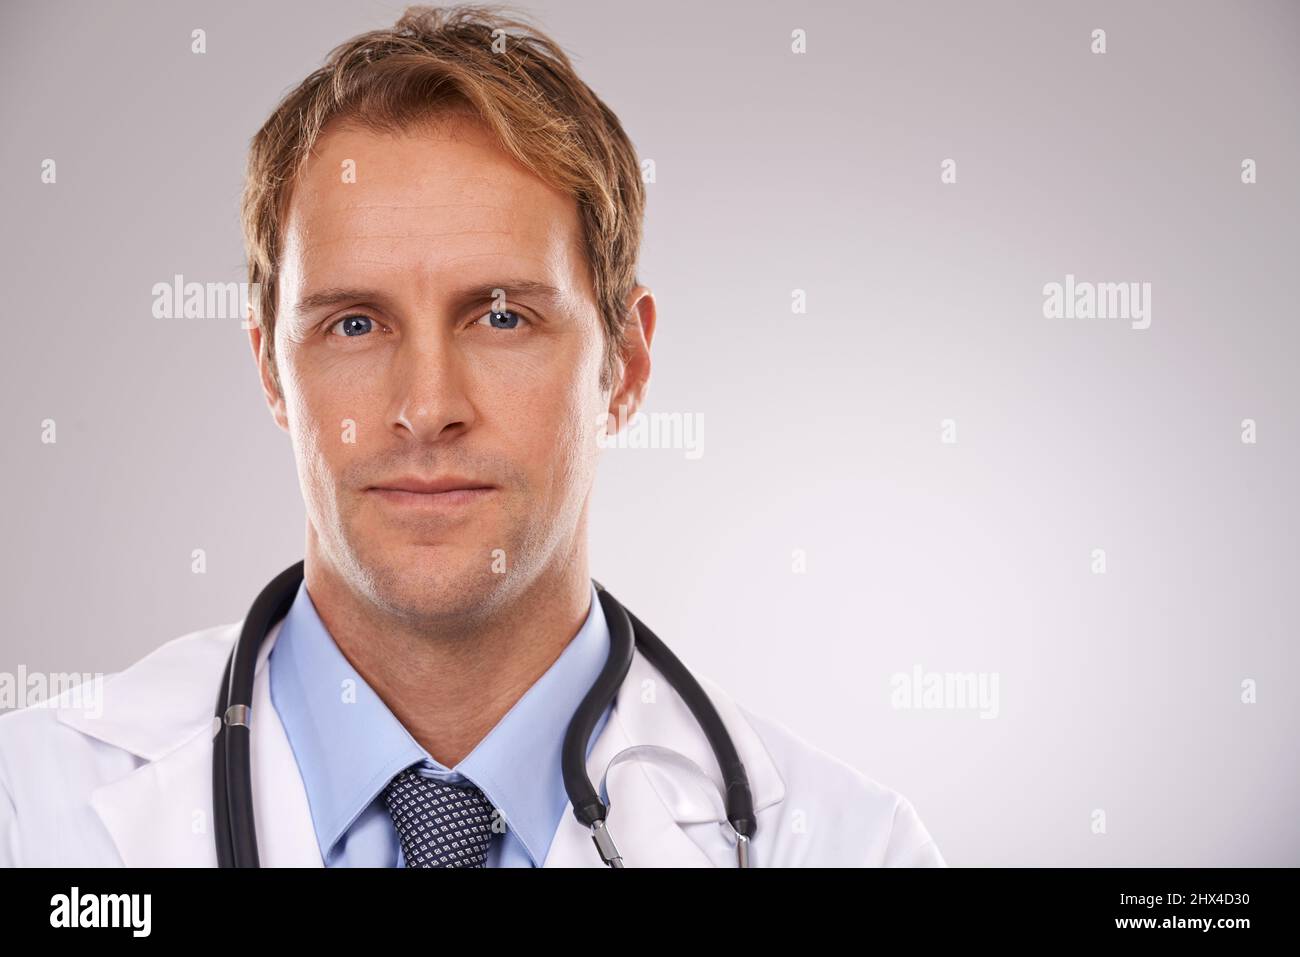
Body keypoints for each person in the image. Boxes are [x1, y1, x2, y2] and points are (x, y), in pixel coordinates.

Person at [0, 4, 944, 868]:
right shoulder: (29, 810)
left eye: (500, 318)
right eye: (355, 323)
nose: (425, 405)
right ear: (270, 370)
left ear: (626, 362)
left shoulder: (848, 846)